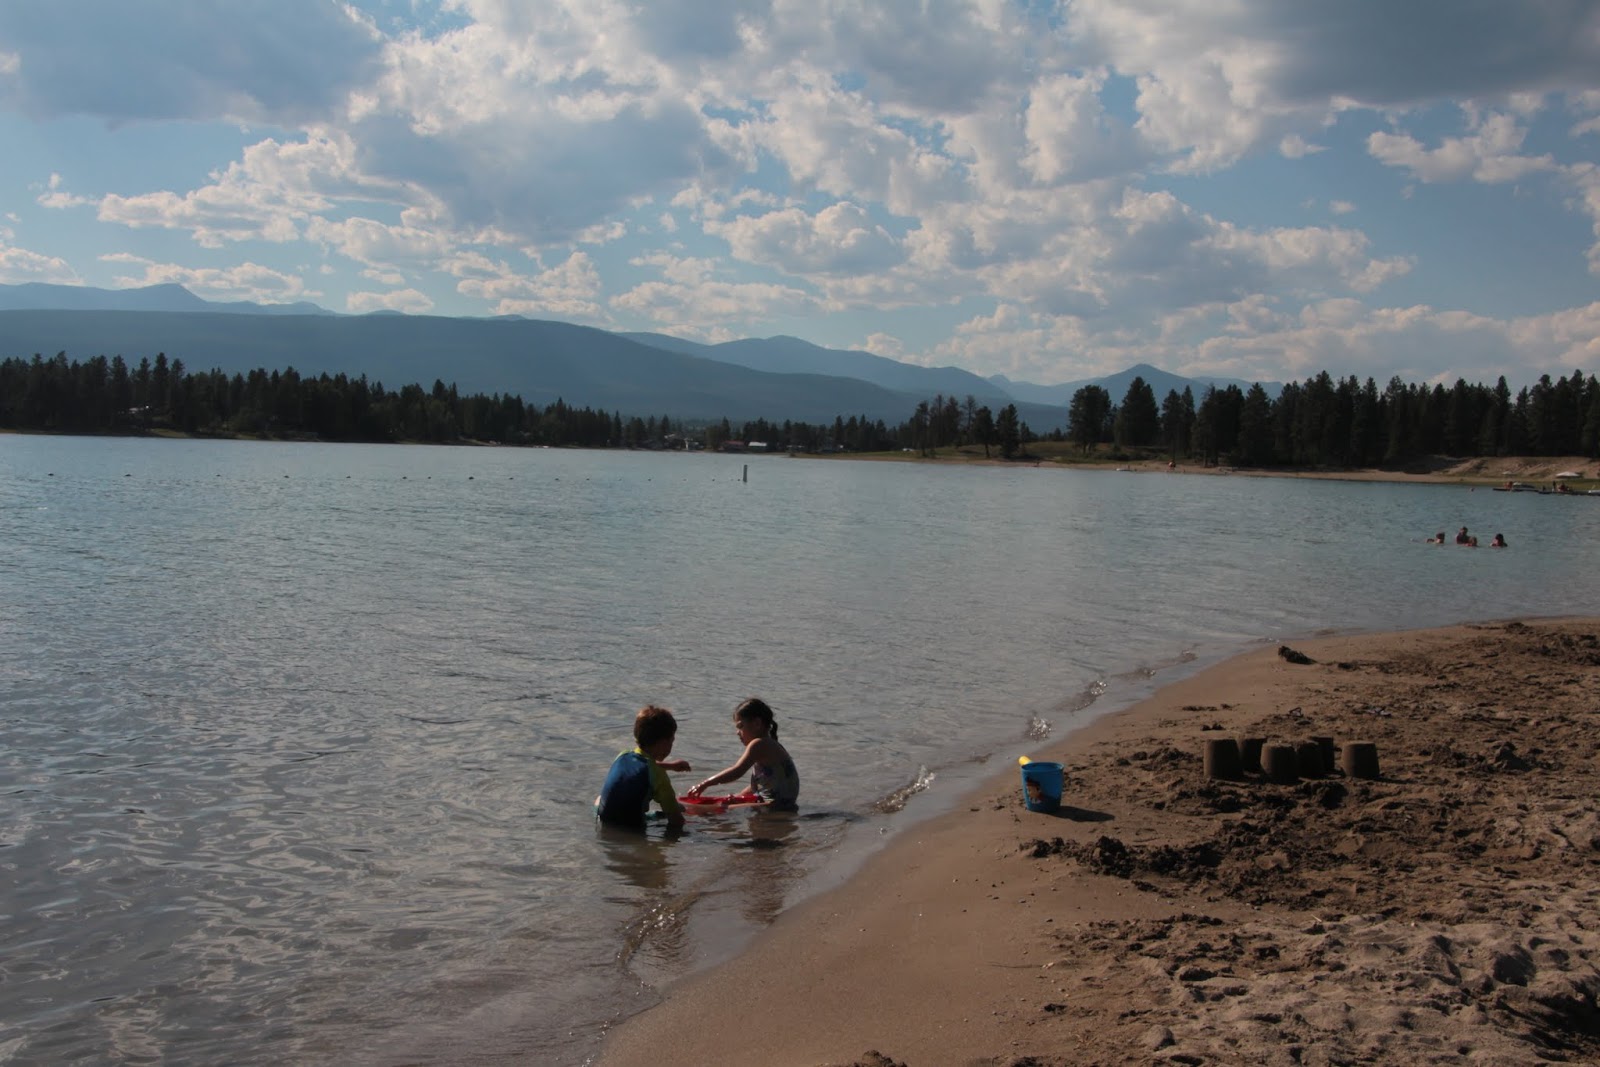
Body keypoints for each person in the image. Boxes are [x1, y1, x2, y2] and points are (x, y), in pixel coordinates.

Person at [685, 697, 800, 812]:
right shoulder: (771, 744)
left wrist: (705, 784)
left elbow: (736, 771)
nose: (737, 732)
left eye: (740, 726)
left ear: (757, 723)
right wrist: (738, 797)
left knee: (715, 810)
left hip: (773, 806)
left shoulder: (759, 744)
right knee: (724, 805)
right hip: (783, 805)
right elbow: (763, 784)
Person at [596, 705, 690, 831]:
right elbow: (675, 820)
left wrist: (670, 766)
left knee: (600, 799)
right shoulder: (659, 775)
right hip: (631, 830)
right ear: (663, 744)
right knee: (682, 810)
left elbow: (643, 766)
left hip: (603, 819)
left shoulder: (623, 755)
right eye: (671, 741)